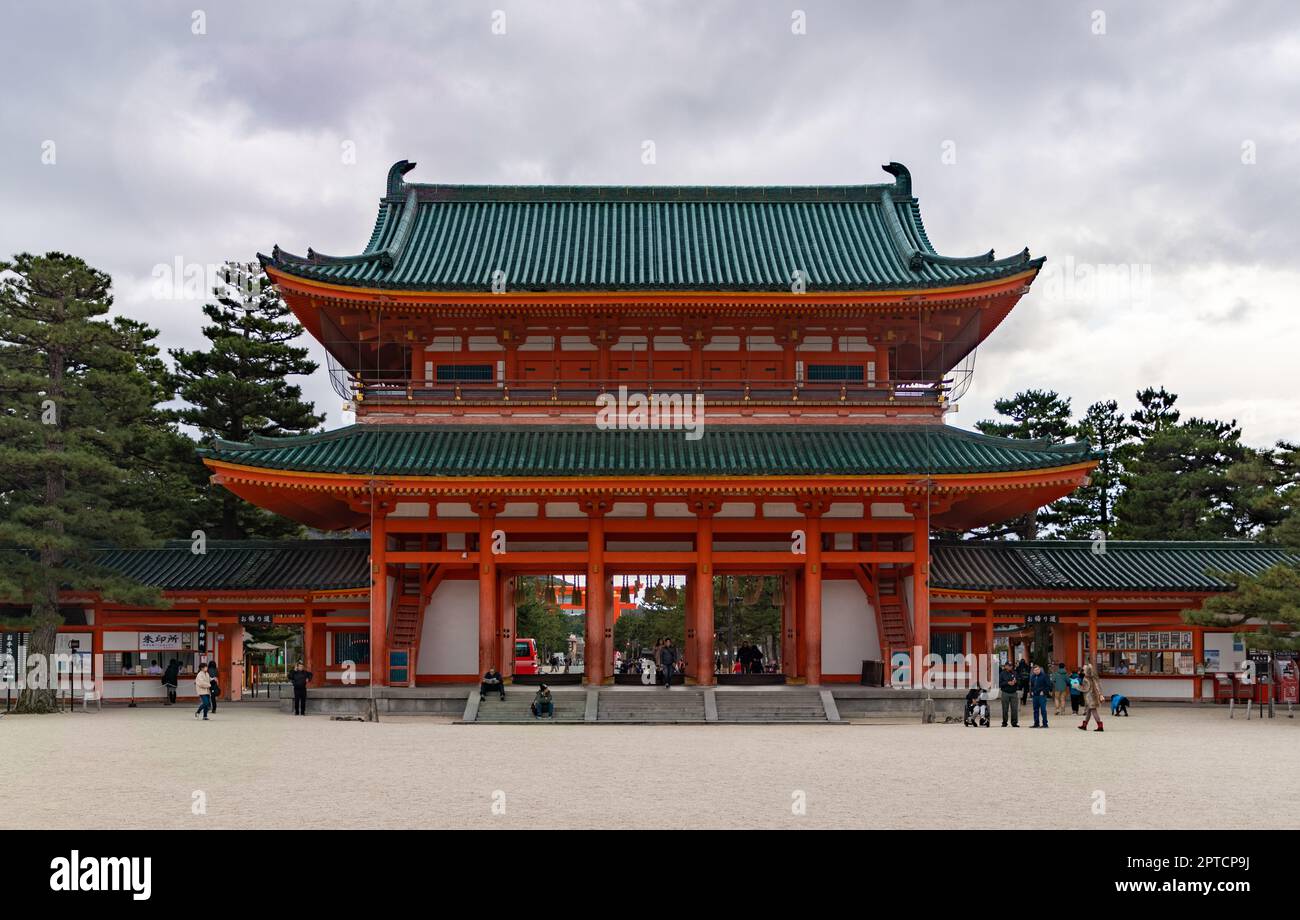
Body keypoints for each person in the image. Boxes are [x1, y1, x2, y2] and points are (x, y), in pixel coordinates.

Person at [1077, 663, 1105, 732]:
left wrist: (1076, 686)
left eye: (1083, 670)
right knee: (1089, 712)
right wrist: (1100, 694)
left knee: (1093, 711)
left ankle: (1100, 726)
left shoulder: (1086, 679)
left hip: (1090, 698)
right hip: (1093, 696)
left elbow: (1085, 688)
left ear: (1086, 671)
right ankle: (1084, 725)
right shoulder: (1092, 677)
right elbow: (1098, 686)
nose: (1082, 671)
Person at [1029, 664, 1052, 728]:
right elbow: (1032, 685)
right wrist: (1032, 692)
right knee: (1035, 710)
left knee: (1043, 710)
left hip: (1042, 695)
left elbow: (1049, 685)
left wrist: (1044, 692)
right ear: (1033, 671)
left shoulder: (1044, 676)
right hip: (1035, 695)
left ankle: (1045, 724)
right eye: (1035, 670)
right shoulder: (1033, 676)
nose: (1036, 671)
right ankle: (1036, 723)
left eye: (1037, 669)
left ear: (1040, 669)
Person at [998, 661, 1020, 727]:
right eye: (1008, 665)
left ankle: (1014, 722)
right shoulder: (1002, 673)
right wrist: (1007, 683)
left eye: (1011, 665)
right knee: (1005, 709)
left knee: (1014, 709)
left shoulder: (1015, 673)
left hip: (1014, 693)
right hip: (1005, 693)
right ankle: (1004, 722)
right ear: (1005, 666)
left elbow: (1019, 681)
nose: (1010, 667)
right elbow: (999, 683)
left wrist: (1015, 682)